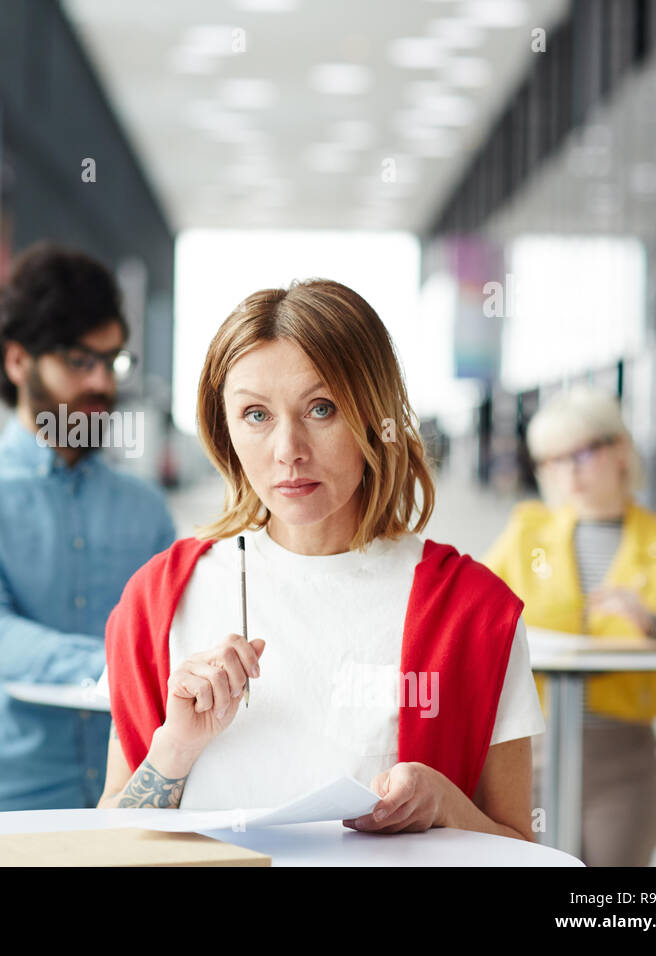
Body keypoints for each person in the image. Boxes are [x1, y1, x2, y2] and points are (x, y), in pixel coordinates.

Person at [98, 279, 545, 842]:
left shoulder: (472, 611)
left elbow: (522, 854)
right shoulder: (159, 598)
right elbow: (112, 836)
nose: (288, 449)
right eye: (255, 415)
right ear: (224, 428)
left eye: (322, 408)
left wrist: (446, 804)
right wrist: (175, 749)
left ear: (375, 418)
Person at [0, 242, 175, 814]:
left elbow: (173, 631)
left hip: (126, 789)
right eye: (81, 361)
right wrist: (121, 666)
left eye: (113, 361)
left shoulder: (145, 508)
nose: (102, 383)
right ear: (17, 361)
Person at [482, 385, 656, 865]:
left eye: (581, 452)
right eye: (552, 460)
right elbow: (473, 610)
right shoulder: (527, 532)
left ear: (619, 449)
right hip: (528, 757)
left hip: (622, 761)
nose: (568, 472)